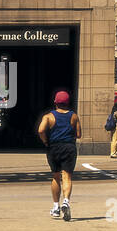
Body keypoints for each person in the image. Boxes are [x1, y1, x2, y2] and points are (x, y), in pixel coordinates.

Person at [37, 91, 81, 221]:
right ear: (68, 103)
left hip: (54, 147)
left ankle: (56, 207)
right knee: (67, 176)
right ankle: (66, 201)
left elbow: (40, 130)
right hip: (69, 147)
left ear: (55, 102)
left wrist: (45, 141)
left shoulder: (48, 117)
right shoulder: (74, 116)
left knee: (56, 177)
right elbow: (78, 135)